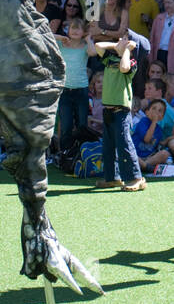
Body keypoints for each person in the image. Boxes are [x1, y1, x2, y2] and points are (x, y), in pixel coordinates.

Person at [91, 36, 145, 192]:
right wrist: (116, 45)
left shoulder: (131, 62)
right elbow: (98, 45)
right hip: (108, 110)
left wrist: (126, 50)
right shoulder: (110, 59)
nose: (121, 39)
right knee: (108, 145)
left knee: (124, 144)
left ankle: (136, 177)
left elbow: (124, 68)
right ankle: (113, 178)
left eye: (125, 38)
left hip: (121, 110)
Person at [53, 17, 91, 149]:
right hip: (65, 90)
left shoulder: (86, 46)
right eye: (72, 28)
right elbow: (45, 37)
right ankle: (65, 154)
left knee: (82, 124)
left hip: (81, 90)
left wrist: (88, 39)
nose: (74, 31)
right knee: (66, 125)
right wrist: (61, 37)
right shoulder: (61, 45)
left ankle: (82, 153)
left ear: (83, 31)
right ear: (67, 30)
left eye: (78, 28)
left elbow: (92, 53)